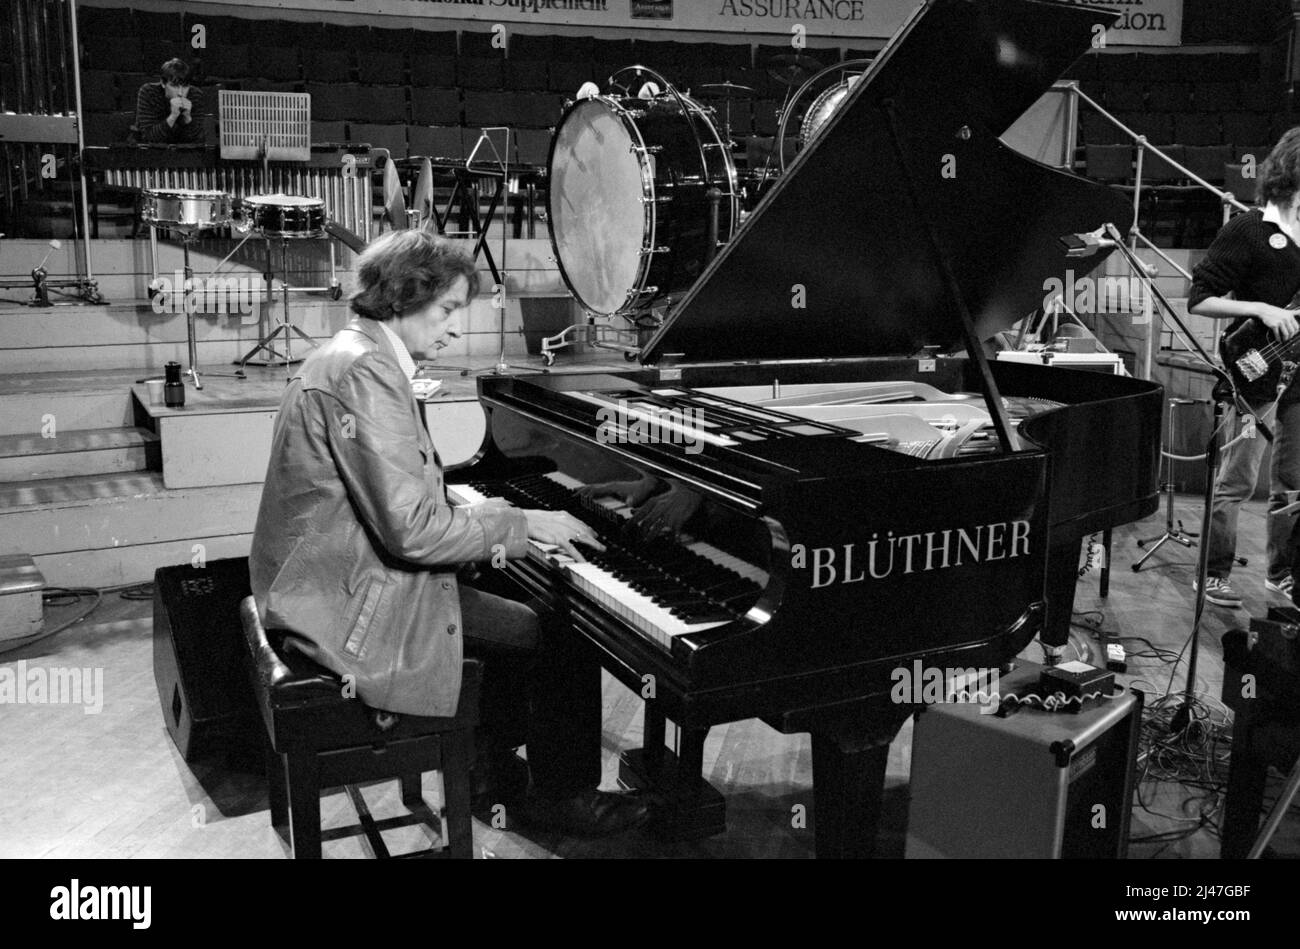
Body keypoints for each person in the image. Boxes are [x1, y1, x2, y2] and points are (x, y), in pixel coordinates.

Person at [249, 230, 648, 838]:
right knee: (563, 622)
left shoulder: (350, 355)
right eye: (447, 310)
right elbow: (411, 532)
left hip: (327, 581)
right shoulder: (367, 372)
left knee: (513, 588)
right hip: (346, 609)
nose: (456, 329)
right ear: (400, 298)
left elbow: (398, 506)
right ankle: (562, 798)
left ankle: (487, 770)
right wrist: (521, 521)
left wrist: (492, 521)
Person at [1191, 126, 1300, 609]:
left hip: (1298, 375)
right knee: (1237, 480)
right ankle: (1213, 573)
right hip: (1255, 368)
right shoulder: (1248, 230)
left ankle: (1282, 573)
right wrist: (1261, 309)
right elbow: (1200, 299)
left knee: (1293, 482)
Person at [133, 58, 204, 145]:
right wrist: (173, 117)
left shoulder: (195, 94)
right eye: (174, 86)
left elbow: (199, 139)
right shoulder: (149, 92)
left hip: (184, 150)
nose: (180, 93)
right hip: (152, 150)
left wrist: (187, 118)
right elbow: (149, 137)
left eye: (185, 87)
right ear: (163, 83)